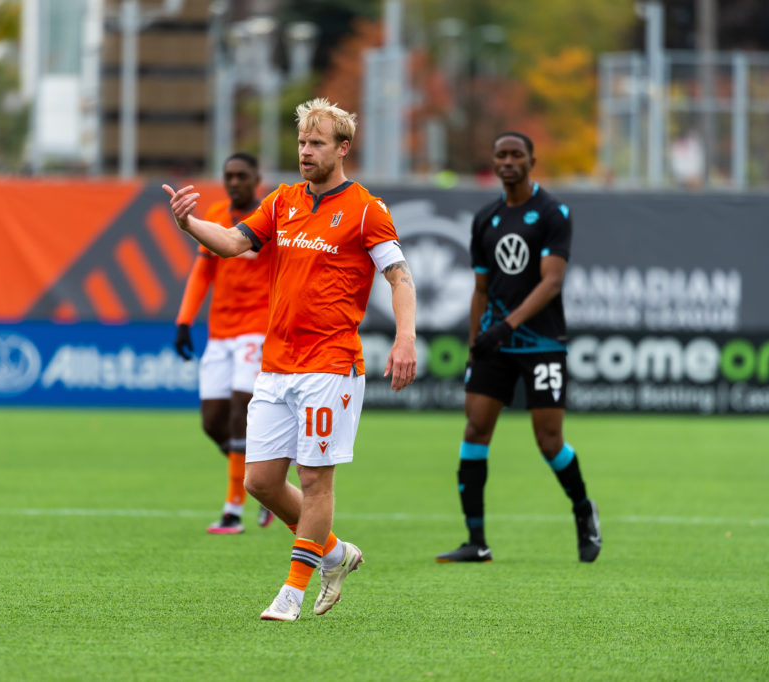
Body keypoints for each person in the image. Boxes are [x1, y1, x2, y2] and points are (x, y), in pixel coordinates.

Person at [164, 98, 417, 621]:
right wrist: (190, 225)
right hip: (278, 363)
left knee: (314, 479)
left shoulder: (367, 208)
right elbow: (234, 242)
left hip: (331, 361)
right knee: (259, 481)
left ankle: (293, 589)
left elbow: (399, 277)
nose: (305, 151)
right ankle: (334, 553)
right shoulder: (282, 201)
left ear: (342, 148)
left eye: (316, 143)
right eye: (302, 142)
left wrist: (405, 337)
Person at [435, 132, 601, 565]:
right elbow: (480, 290)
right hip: (494, 343)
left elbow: (552, 282)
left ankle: (584, 510)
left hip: (542, 343)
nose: (508, 161)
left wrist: (507, 326)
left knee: (548, 441)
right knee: (475, 431)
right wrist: (476, 344)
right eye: (501, 155)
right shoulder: (485, 219)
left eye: (516, 155)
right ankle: (476, 541)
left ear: (532, 160)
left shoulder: (552, 213)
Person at [173, 152, 275, 535]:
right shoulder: (214, 213)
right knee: (212, 422)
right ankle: (269, 485)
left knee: (239, 413)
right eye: (228, 175)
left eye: (241, 175)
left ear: (256, 179)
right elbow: (203, 272)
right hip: (220, 332)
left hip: (257, 328)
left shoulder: (269, 217)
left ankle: (233, 510)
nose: (234, 182)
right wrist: (184, 321)